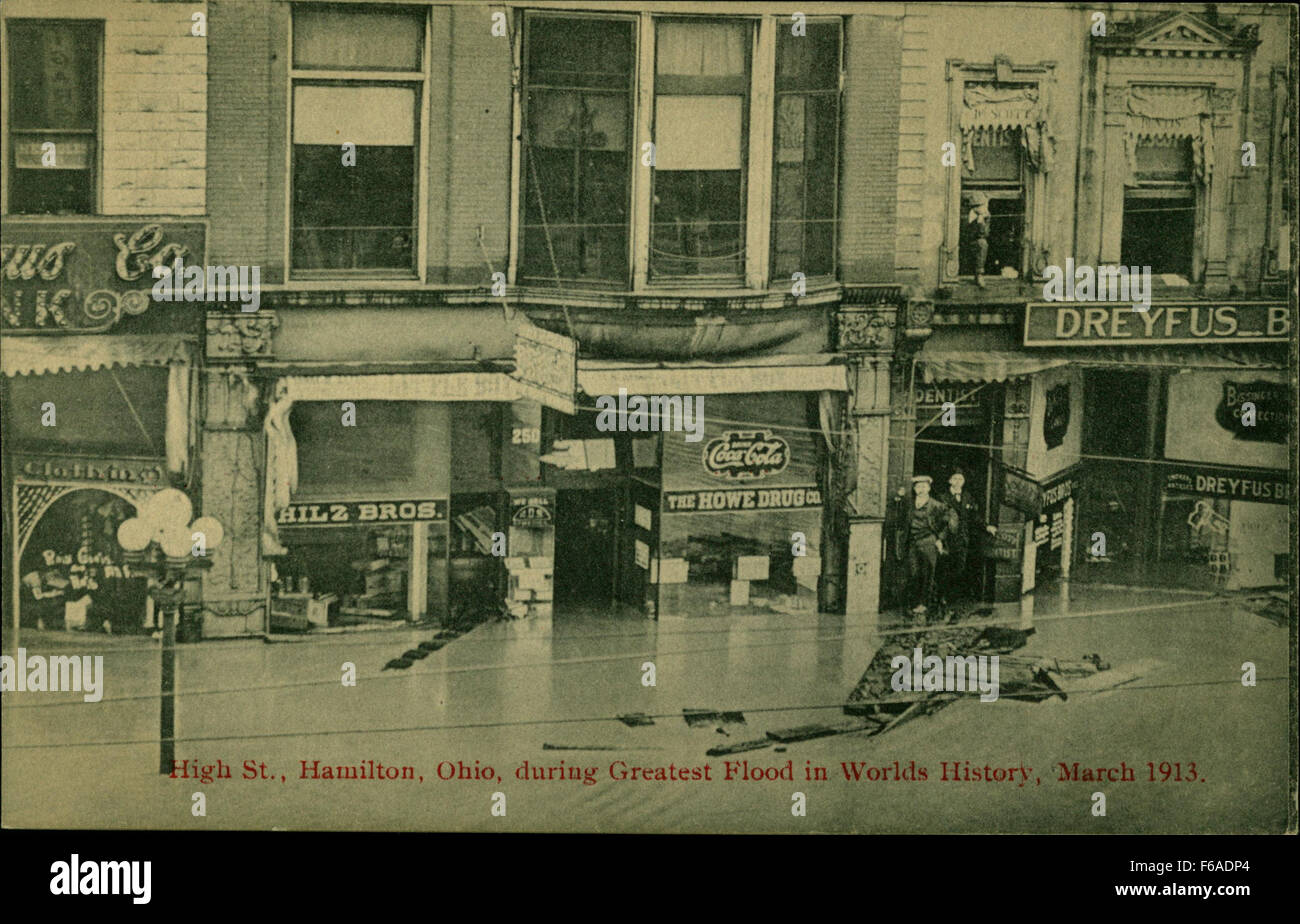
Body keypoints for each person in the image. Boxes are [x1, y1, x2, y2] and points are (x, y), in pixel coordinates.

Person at [892, 475, 956, 624]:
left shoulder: (936, 505)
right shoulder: (909, 504)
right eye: (918, 487)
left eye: (923, 486)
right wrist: (898, 500)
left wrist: (940, 539)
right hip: (914, 543)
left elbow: (947, 522)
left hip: (929, 542)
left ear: (929, 488)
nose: (921, 489)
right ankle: (915, 604)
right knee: (914, 573)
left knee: (929, 575)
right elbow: (900, 519)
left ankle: (925, 604)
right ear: (914, 489)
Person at [936, 469, 997, 605]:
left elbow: (974, 516)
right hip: (947, 538)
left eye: (961, 479)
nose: (958, 482)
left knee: (960, 568)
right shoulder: (942, 497)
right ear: (950, 481)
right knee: (945, 567)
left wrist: (987, 526)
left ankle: (953, 597)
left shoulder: (967, 497)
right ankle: (942, 596)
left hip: (963, 539)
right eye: (955, 479)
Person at [962, 191, 991, 288]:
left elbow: (984, 234)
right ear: (976, 207)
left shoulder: (985, 216)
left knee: (982, 243)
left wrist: (981, 223)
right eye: (984, 205)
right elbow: (964, 234)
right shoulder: (965, 214)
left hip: (976, 244)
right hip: (964, 243)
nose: (986, 208)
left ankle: (979, 274)